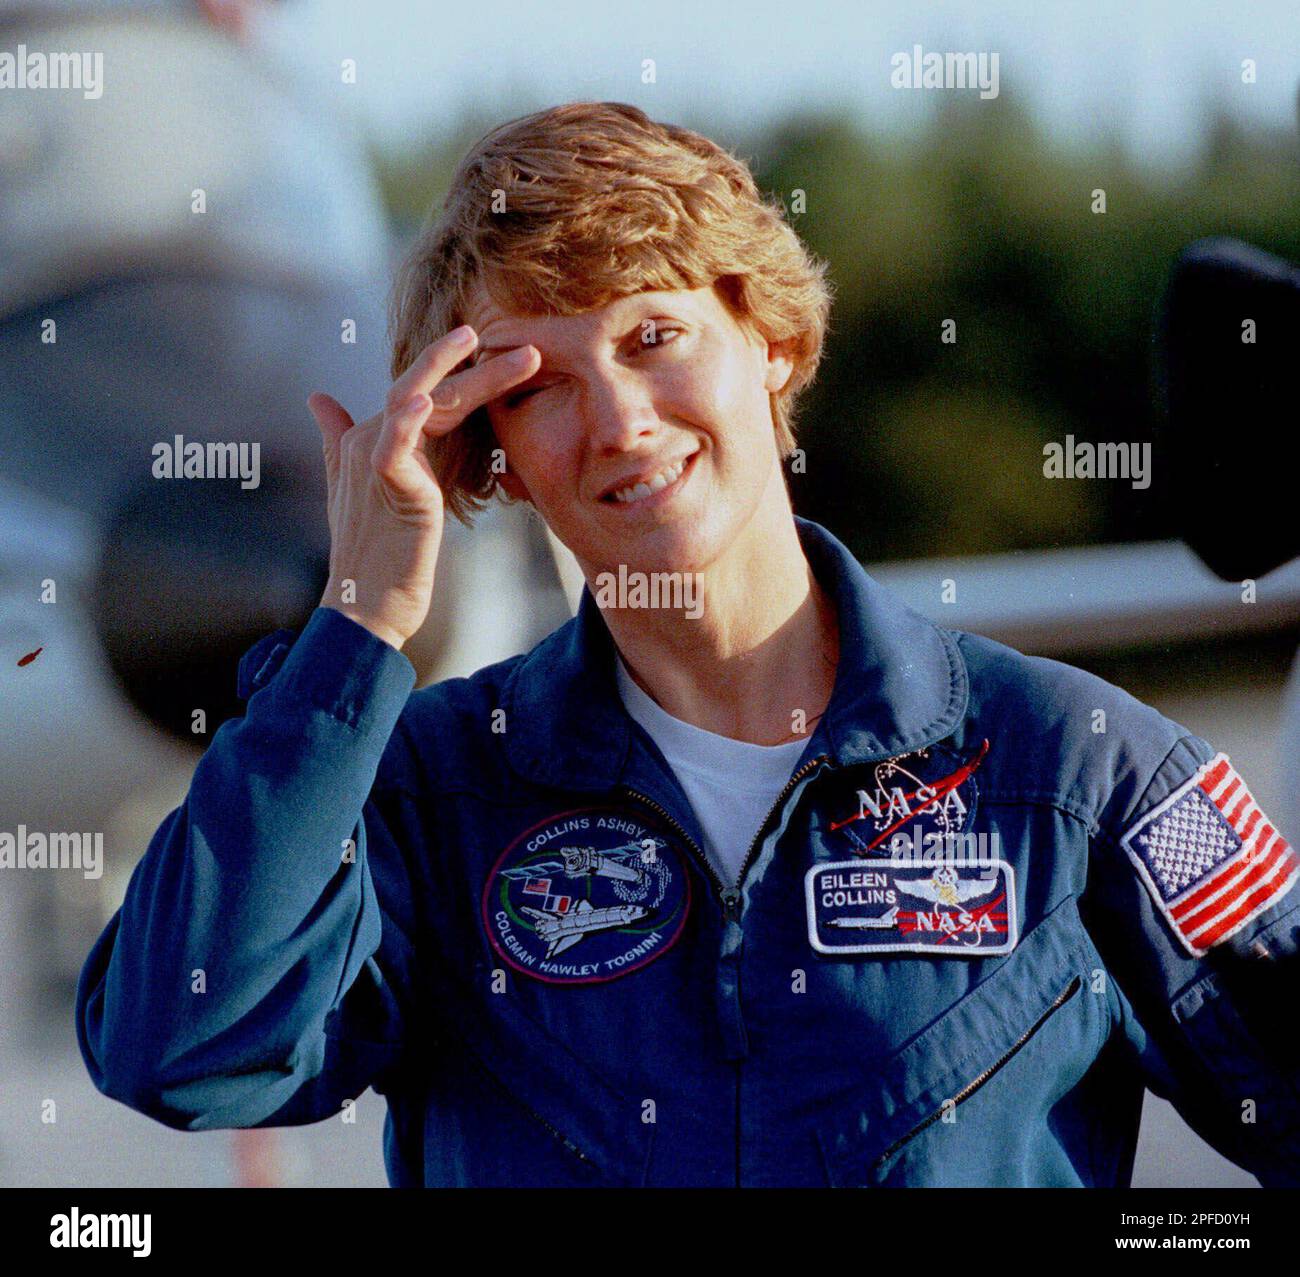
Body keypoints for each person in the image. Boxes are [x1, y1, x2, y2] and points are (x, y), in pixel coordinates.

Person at [75, 101, 1300, 1188]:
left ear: (766, 340)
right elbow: (181, 1049)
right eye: (536, 383)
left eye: (652, 337)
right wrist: (355, 627)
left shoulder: (1079, 769)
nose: (615, 421)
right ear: (482, 448)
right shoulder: (420, 794)